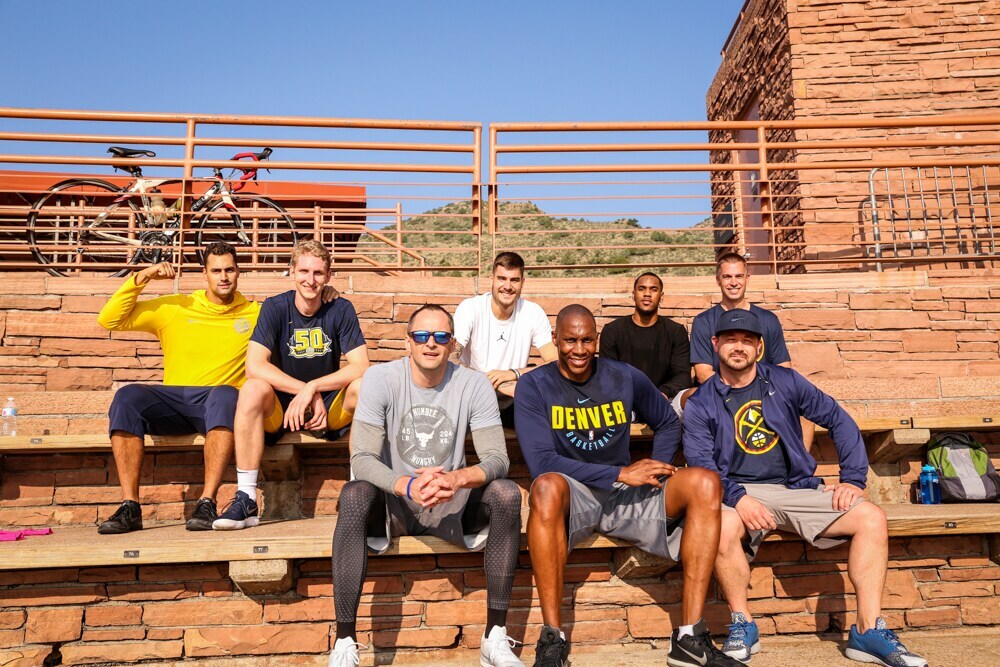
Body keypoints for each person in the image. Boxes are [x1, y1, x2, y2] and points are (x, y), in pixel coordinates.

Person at [682, 309, 927, 667]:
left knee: (871, 517)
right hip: (735, 490)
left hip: (792, 488)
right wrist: (740, 498)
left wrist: (854, 479)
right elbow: (703, 466)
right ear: (715, 343)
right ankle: (743, 623)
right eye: (731, 340)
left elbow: (839, 419)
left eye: (747, 340)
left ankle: (867, 631)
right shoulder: (702, 401)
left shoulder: (785, 381)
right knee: (721, 526)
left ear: (760, 346)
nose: (739, 347)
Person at [515, 304, 742, 667]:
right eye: (570, 340)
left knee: (705, 482)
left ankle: (689, 637)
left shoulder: (624, 376)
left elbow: (668, 421)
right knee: (544, 487)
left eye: (587, 340)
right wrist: (621, 473)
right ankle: (552, 640)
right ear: (555, 340)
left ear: (597, 340)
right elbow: (542, 462)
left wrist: (657, 467)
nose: (579, 349)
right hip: (576, 495)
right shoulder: (533, 385)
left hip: (627, 495)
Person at [329, 304, 524, 667]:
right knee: (353, 494)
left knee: (506, 494)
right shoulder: (380, 379)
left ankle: (494, 636)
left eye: (440, 337)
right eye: (421, 336)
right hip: (394, 502)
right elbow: (362, 459)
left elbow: (498, 458)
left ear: (452, 343)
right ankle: (344, 642)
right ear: (407, 343)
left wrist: (456, 478)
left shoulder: (474, 383)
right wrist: (405, 484)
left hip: (451, 500)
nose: (430, 343)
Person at [96, 243, 258, 534]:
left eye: (229, 270)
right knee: (127, 396)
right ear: (204, 274)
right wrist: (143, 276)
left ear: (239, 272)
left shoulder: (256, 312)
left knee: (226, 392)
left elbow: (298, 311)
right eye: (216, 270)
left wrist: (329, 295)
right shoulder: (176, 306)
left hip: (218, 403)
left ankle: (206, 502)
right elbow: (109, 319)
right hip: (176, 399)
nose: (223, 277)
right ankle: (130, 507)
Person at [213, 240, 368, 530]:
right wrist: (303, 390)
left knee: (364, 387)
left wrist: (314, 389)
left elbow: (361, 366)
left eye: (319, 273)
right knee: (251, 388)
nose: (311, 280)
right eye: (304, 271)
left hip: (327, 407)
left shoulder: (340, 309)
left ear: (328, 276)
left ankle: (359, 494)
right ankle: (246, 497)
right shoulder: (275, 307)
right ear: (292, 271)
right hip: (282, 407)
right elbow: (255, 365)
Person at [686, 252, 813, 449]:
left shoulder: (768, 319)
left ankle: (801, 470)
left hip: (765, 392)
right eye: (727, 276)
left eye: (739, 276)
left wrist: (764, 394)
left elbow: (783, 369)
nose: (733, 282)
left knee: (803, 407)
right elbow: (703, 374)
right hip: (722, 393)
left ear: (747, 278)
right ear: (718, 280)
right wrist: (741, 395)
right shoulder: (704, 321)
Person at [454, 252, 557, 426]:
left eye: (514, 280)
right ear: (491, 279)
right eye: (502, 278)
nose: (507, 286)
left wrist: (513, 374)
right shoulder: (470, 308)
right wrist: (491, 383)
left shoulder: (533, 312)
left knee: (553, 403)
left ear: (522, 283)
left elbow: (555, 362)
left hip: (513, 394)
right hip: (473, 392)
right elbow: (450, 358)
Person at [599, 271, 690, 400]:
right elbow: (608, 374)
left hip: (664, 400)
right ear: (633, 295)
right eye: (642, 289)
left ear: (661, 296)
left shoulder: (676, 332)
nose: (647, 294)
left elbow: (683, 375)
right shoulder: (613, 331)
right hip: (625, 400)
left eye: (653, 289)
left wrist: (662, 393)